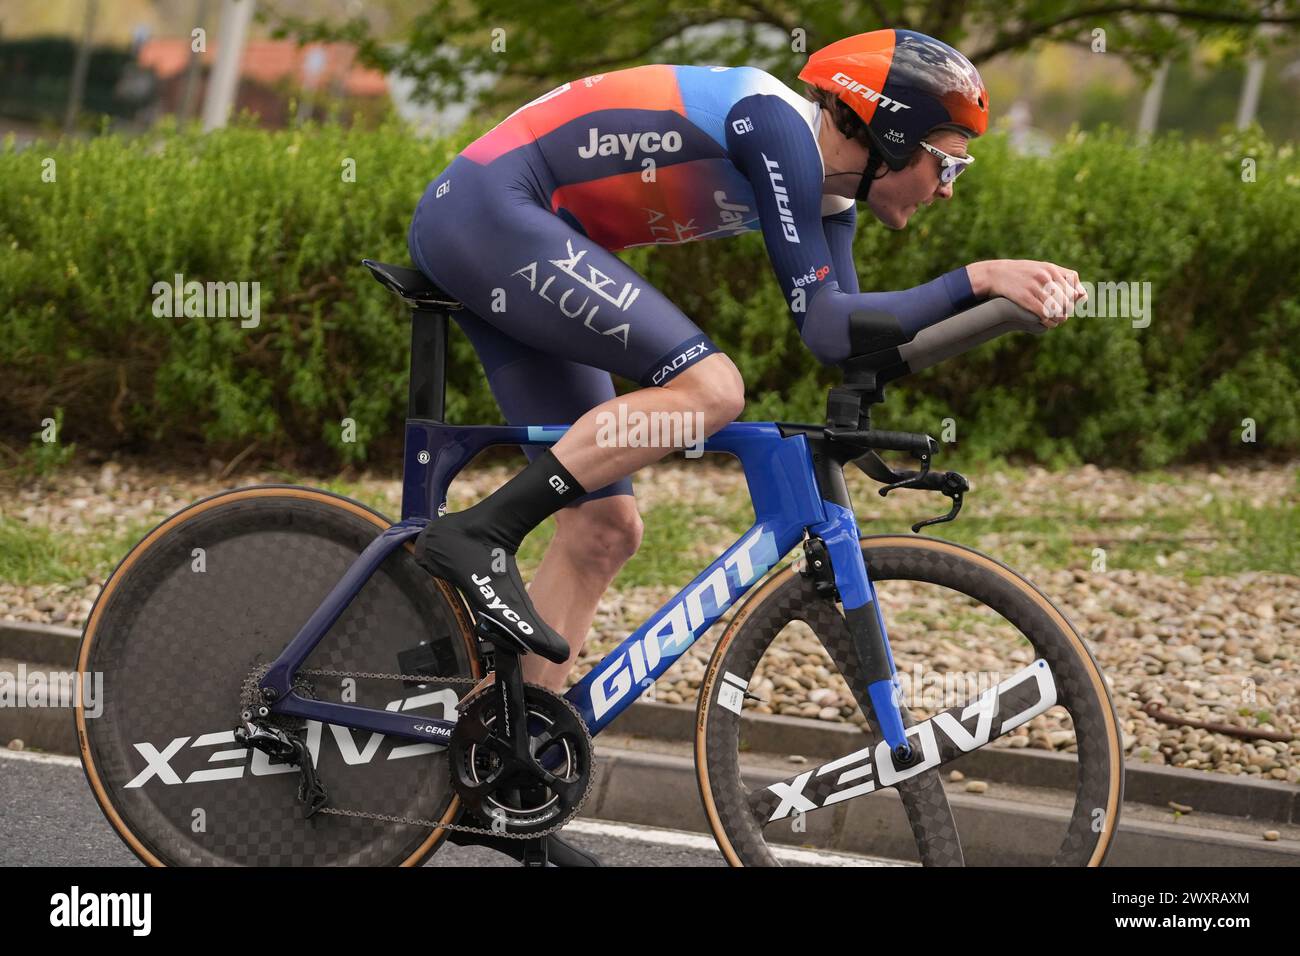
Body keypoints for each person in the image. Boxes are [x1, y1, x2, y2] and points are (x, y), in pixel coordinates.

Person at [406, 28, 1085, 866]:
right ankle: (481, 531)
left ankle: (500, 786)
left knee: (604, 531)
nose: (948, 189)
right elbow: (831, 321)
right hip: (492, 210)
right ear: (891, 135)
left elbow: (838, 337)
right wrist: (977, 277)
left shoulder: (830, 197)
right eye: (948, 163)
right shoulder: (774, 126)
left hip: (525, 232)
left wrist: (1001, 313)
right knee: (712, 388)